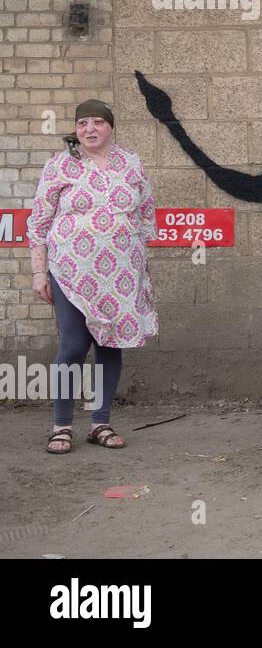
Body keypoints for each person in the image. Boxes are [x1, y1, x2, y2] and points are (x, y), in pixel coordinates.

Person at [29, 99, 159, 453]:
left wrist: (139, 266)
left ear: (110, 127)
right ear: (77, 128)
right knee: (72, 346)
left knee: (110, 345)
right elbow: (38, 222)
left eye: (98, 123)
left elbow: (146, 213)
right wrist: (39, 271)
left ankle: (100, 423)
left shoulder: (130, 163)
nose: (90, 129)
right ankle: (62, 425)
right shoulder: (60, 165)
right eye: (83, 123)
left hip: (120, 276)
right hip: (70, 274)